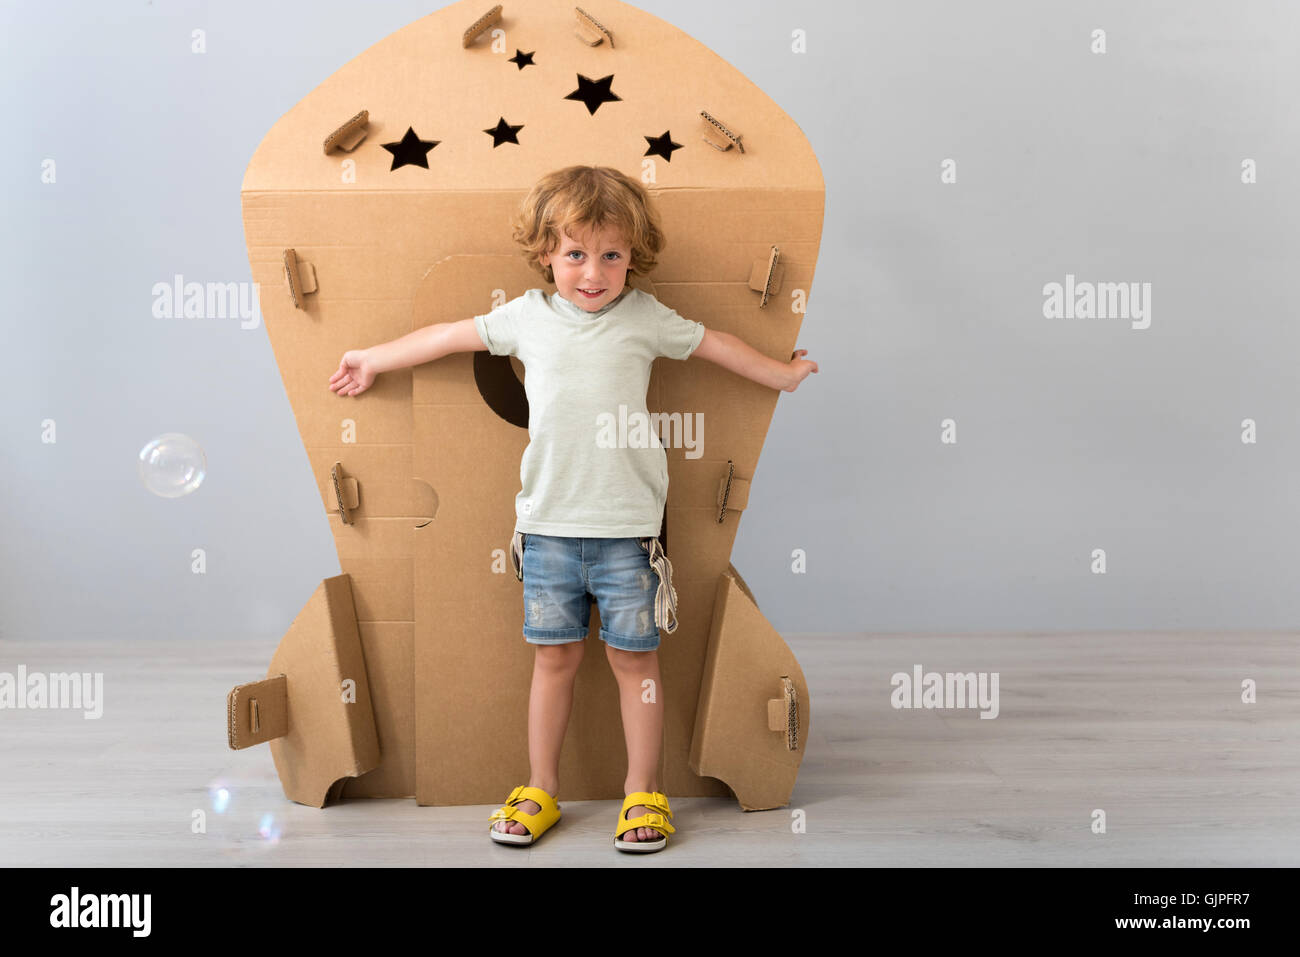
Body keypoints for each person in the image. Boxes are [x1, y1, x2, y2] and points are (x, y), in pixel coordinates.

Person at [327, 165, 818, 852]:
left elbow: (718, 347)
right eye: (576, 254)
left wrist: (784, 374)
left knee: (636, 667)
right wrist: (372, 359)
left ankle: (643, 791)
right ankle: (541, 788)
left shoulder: (644, 318)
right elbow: (445, 336)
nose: (594, 272)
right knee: (552, 664)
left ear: (632, 258)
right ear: (546, 254)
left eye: (612, 255)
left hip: (627, 538)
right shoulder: (526, 317)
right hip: (549, 535)